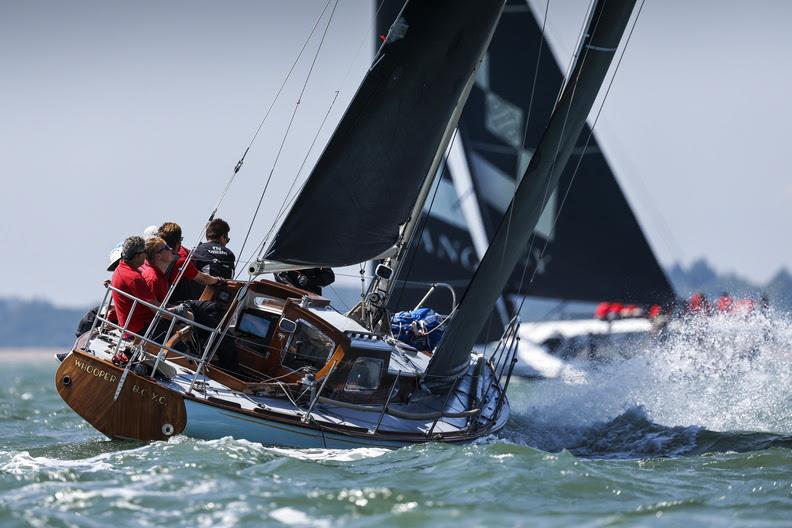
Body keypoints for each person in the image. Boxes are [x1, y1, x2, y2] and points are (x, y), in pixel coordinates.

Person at [158, 222, 224, 302]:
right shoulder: (181, 262)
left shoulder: (154, 257)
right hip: (171, 303)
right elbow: (203, 279)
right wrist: (218, 280)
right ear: (178, 242)